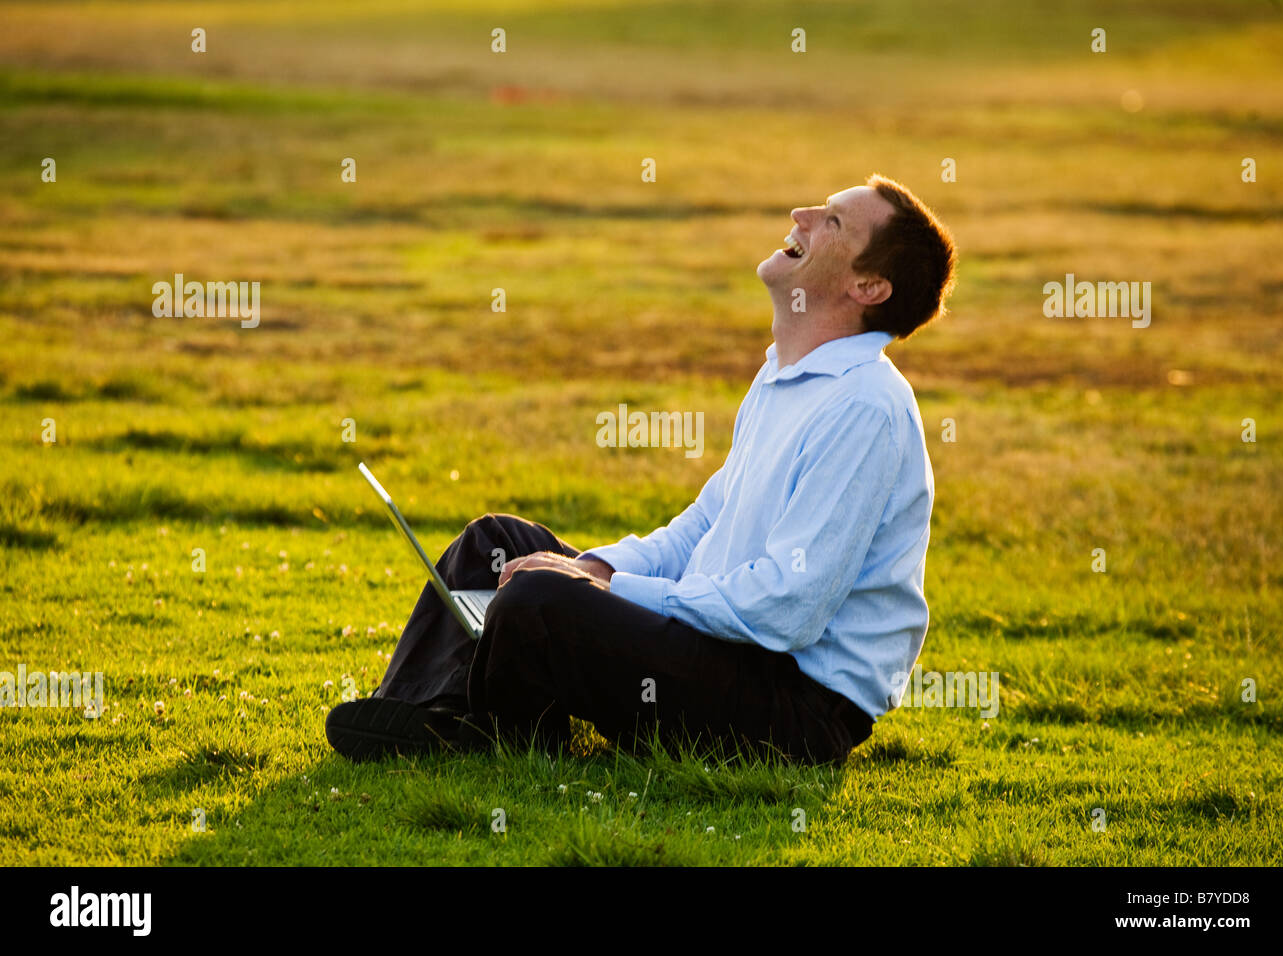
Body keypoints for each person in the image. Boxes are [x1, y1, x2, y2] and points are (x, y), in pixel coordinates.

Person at [326, 173, 957, 766]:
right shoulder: (786, 376)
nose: (803, 216)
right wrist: (600, 567)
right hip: (727, 658)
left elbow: (785, 611)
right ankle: (427, 715)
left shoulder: (865, 406)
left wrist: (600, 591)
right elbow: (704, 526)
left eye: (834, 223)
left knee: (541, 597)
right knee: (496, 544)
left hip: (793, 709)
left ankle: (494, 732)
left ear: (868, 287)